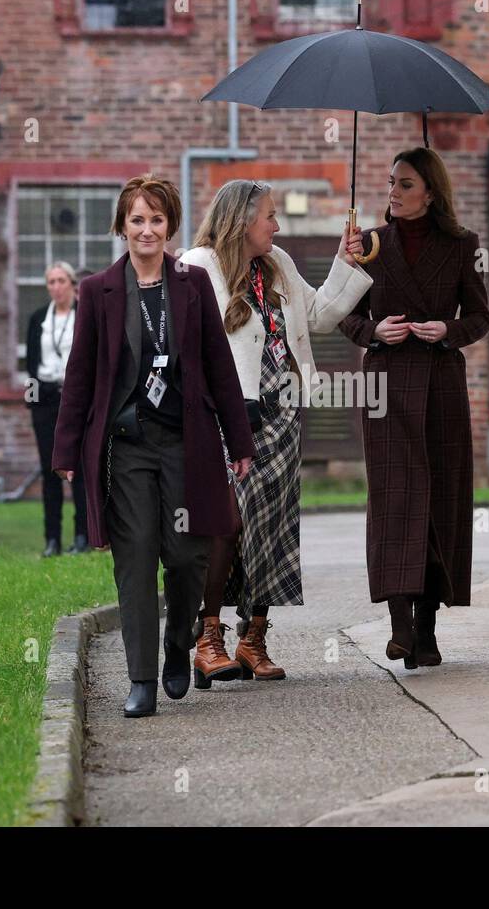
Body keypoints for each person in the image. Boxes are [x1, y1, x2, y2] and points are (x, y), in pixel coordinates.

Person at [52, 174, 255, 718]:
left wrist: (239, 439)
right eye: (137, 220)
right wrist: (67, 451)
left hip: (186, 444)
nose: (147, 230)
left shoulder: (192, 284)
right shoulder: (98, 292)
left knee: (189, 556)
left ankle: (178, 644)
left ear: (170, 227)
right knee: (136, 558)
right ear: (122, 226)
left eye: (157, 220)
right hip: (128, 447)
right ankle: (141, 678)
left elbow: (219, 364)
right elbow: (80, 376)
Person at [179, 180, 373, 687]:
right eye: (269, 215)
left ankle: (254, 638)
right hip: (230, 416)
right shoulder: (198, 266)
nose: (277, 225)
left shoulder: (278, 264)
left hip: (282, 416)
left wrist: (344, 262)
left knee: (273, 530)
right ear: (241, 220)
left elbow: (320, 317)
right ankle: (207, 638)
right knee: (227, 524)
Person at [338, 147, 489, 668]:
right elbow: (345, 315)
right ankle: (399, 621)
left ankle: (426, 627)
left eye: (405, 184)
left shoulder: (462, 244)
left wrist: (448, 331)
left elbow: (479, 317)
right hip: (385, 386)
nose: (393, 193)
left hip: (442, 385)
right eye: (390, 183)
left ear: (430, 191)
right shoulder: (371, 245)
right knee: (394, 500)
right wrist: (374, 330)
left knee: (439, 501)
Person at [26, 262, 89, 557]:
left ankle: (82, 536)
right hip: (47, 400)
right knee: (49, 470)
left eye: (61, 280)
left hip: (76, 398)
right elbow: (30, 365)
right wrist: (33, 402)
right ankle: (52, 539)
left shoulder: (85, 314)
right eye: (51, 281)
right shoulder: (38, 318)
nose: (56, 287)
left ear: (72, 284)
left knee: (77, 468)